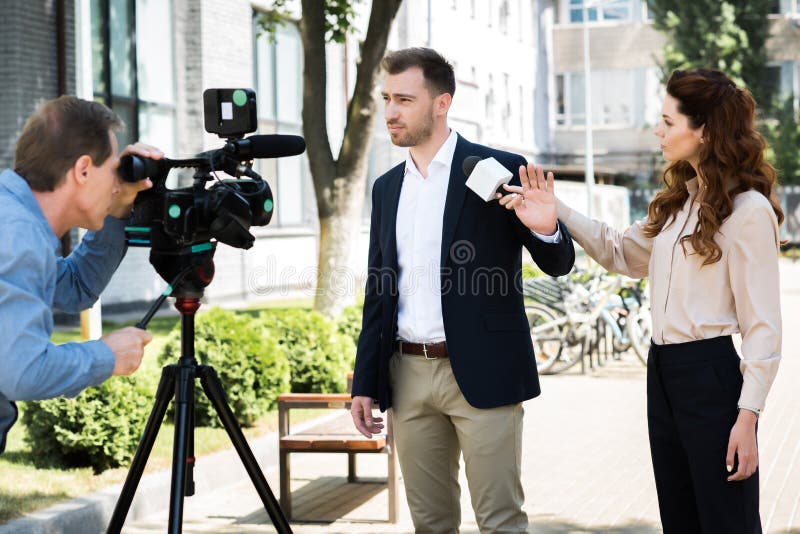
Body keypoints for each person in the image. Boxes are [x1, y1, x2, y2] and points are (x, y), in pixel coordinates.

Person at [501, 68, 782, 533]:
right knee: (680, 517)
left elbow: (763, 326)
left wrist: (748, 416)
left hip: (710, 377)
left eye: (668, 122)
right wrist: (557, 211)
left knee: (726, 519)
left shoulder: (748, 211)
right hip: (663, 372)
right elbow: (619, 251)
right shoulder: (679, 204)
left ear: (704, 130)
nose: (658, 131)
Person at [350, 47, 575, 533]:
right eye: (387, 98)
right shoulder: (386, 188)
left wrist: (545, 226)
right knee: (430, 524)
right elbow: (379, 290)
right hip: (408, 375)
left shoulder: (498, 168)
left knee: (500, 522)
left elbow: (558, 264)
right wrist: (364, 383)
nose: (390, 112)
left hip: (484, 370)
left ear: (442, 103)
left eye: (404, 99)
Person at [0, 96, 161, 454]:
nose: (117, 183)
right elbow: (22, 371)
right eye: (114, 171)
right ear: (83, 170)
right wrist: (105, 355)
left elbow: (75, 288)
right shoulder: (16, 234)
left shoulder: (16, 220)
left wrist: (119, 207)